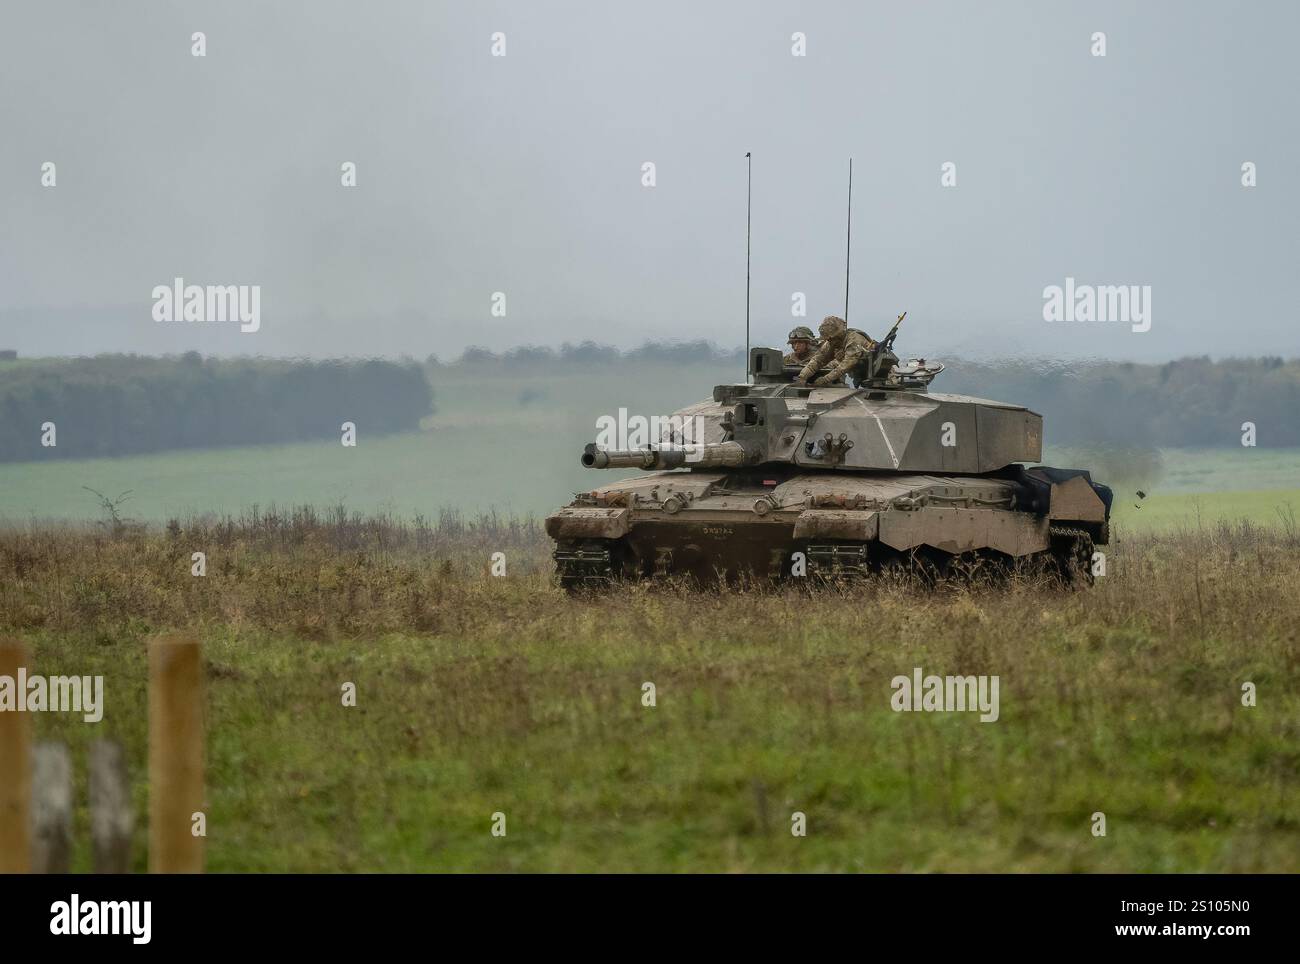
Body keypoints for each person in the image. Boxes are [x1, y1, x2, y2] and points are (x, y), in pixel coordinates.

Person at [794, 315, 876, 387]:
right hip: (864, 377)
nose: (829, 341)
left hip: (880, 376)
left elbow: (847, 364)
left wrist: (826, 379)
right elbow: (818, 359)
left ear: (838, 335)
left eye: (831, 338)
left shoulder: (854, 340)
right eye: (828, 339)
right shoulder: (831, 342)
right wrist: (802, 376)